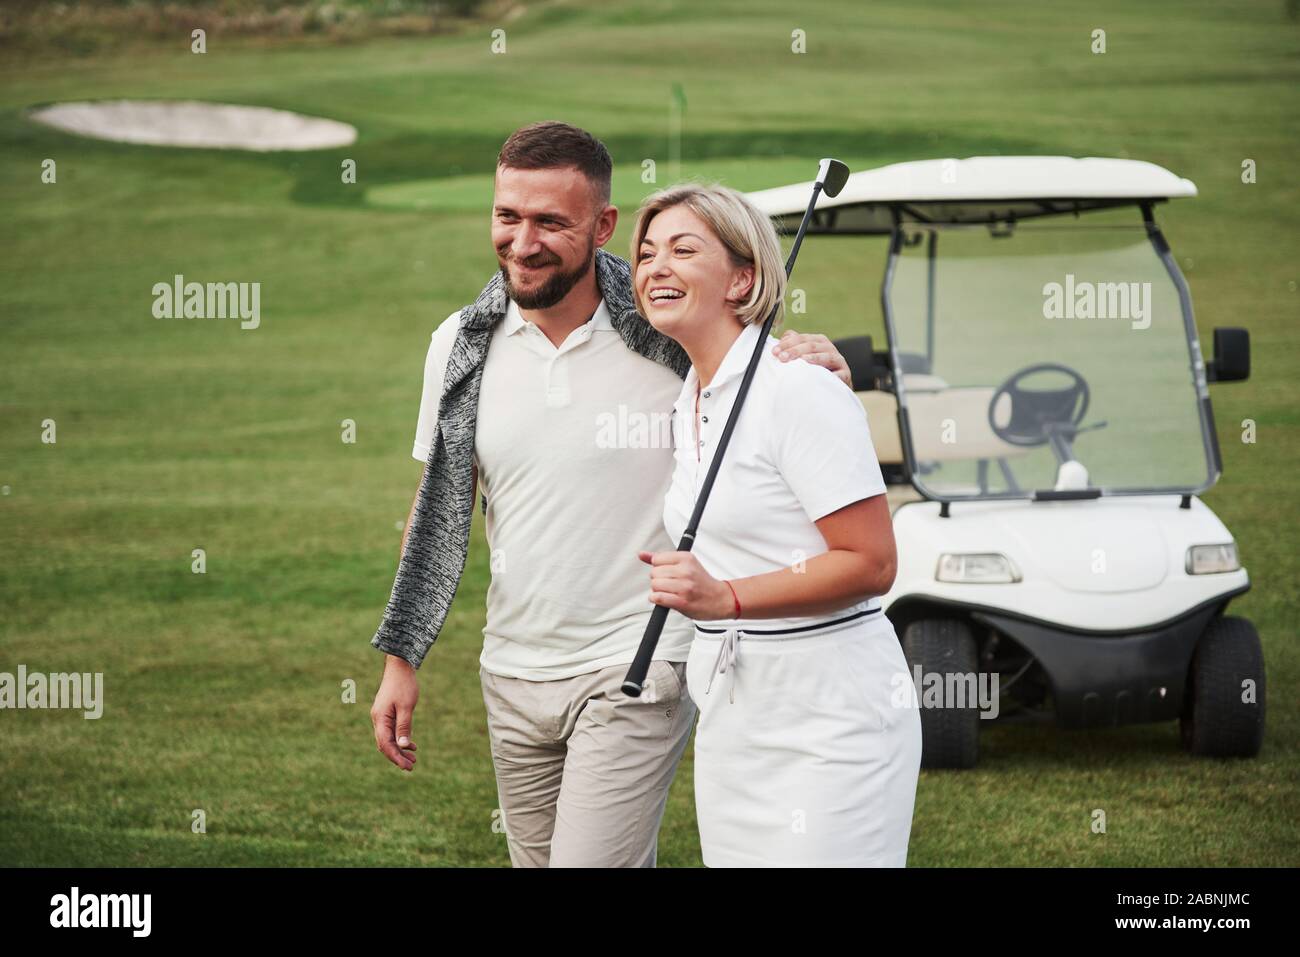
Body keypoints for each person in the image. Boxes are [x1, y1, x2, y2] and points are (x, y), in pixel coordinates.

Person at [368, 121, 855, 867]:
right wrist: (401, 657)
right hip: (513, 669)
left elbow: (756, 369)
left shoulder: (667, 330)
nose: (522, 242)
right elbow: (437, 505)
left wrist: (817, 356)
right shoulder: (458, 343)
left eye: (550, 222)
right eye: (507, 216)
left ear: (602, 227)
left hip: (639, 662)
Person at [632, 182, 923, 867]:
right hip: (736, 711)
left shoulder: (799, 388)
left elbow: (872, 562)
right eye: (646, 254)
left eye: (682, 249)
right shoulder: (690, 398)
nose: (655, 267)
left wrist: (726, 597)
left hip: (833, 717)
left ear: (744, 278)